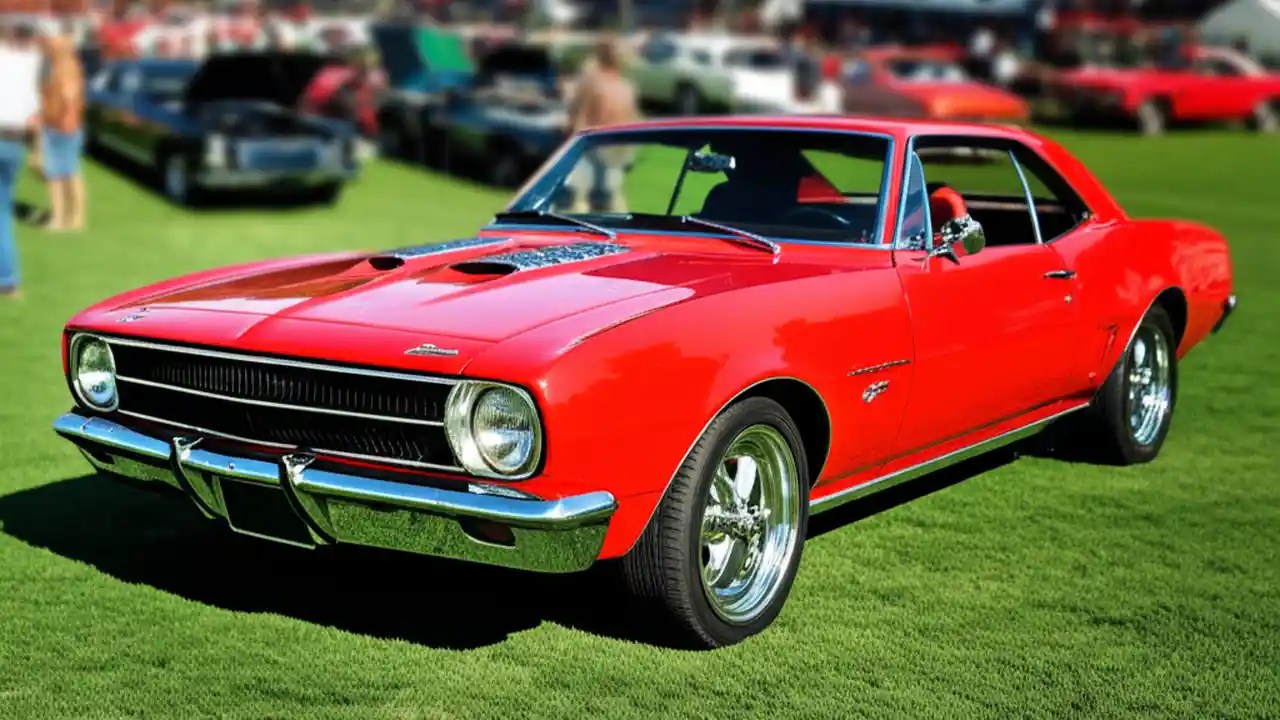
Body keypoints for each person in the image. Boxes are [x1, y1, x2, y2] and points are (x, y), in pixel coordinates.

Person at [565, 37, 638, 213]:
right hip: (601, 146)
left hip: (610, 147)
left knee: (603, 194)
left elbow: (630, 116)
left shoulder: (619, 85)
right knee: (594, 195)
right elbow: (582, 115)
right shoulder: (602, 83)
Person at [0, 22, 43, 299]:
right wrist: (36, 152)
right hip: (13, 141)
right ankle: (8, 280)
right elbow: (33, 115)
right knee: (3, 211)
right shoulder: (25, 63)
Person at [41, 27, 88, 232]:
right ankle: (70, 217)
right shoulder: (59, 65)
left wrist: (64, 120)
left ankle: (62, 217)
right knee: (66, 173)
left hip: (63, 127)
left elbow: (69, 96)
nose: (46, 46)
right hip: (60, 125)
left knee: (60, 174)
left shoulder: (65, 66)